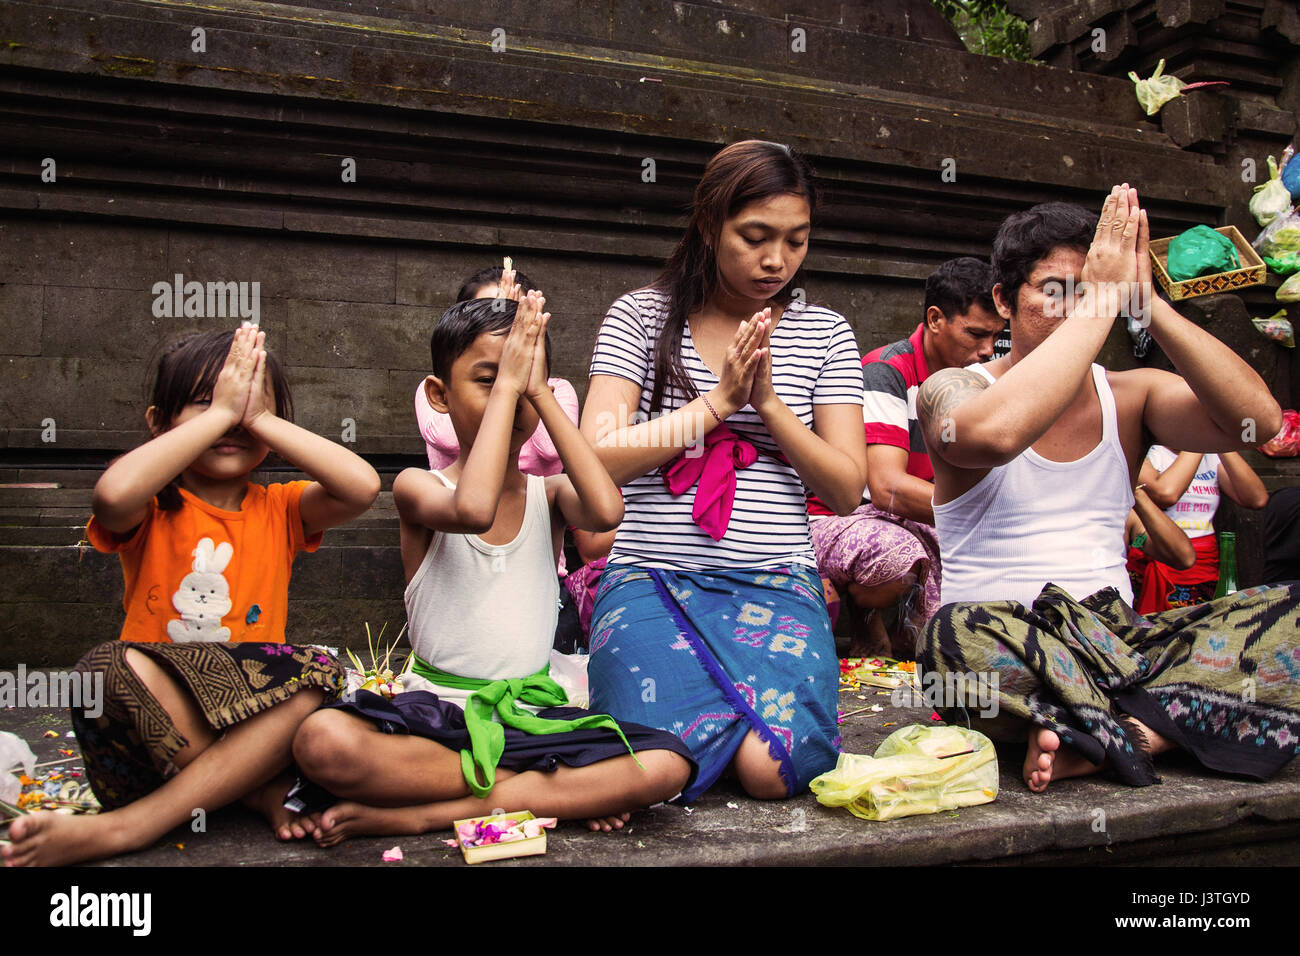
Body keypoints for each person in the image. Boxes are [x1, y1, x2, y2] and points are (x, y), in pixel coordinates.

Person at [915, 187, 1300, 794]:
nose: (1074, 307)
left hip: (1117, 646)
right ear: (1002, 301)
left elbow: (1260, 420)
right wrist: (1100, 296)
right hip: (1010, 647)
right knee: (951, 638)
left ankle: (1116, 738)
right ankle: (1151, 724)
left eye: (1089, 289)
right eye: (1054, 290)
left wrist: (1144, 300)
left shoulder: (1131, 392)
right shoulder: (950, 388)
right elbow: (991, 436)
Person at [290, 291, 695, 844]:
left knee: (668, 764)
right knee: (323, 742)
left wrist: (540, 394)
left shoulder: (549, 494)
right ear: (438, 394)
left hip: (530, 717)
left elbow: (606, 511)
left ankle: (427, 813)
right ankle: (545, 794)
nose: (510, 395)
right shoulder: (418, 486)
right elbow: (473, 510)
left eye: (525, 382)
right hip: (439, 719)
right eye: (487, 379)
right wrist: (513, 385)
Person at [2, 326, 380, 866]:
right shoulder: (150, 503)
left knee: (319, 674)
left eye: (244, 404)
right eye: (202, 405)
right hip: (159, 736)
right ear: (159, 424)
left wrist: (253, 415)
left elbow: (362, 486)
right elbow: (111, 496)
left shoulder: (282, 508)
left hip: (253, 722)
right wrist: (222, 415)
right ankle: (247, 788)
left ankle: (133, 827)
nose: (227, 420)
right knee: (99, 668)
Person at [580, 140, 868, 802]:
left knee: (777, 772)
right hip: (654, 578)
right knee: (652, 766)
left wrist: (765, 402)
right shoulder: (641, 316)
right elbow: (599, 456)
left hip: (776, 583)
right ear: (710, 226)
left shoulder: (824, 332)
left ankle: (738, 728)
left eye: (796, 241)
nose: (777, 260)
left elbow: (847, 487)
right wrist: (717, 404)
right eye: (756, 237)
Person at [809, 257, 1003, 658]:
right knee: (899, 558)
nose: (987, 351)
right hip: (837, 519)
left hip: (923, 520)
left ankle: (902, 638)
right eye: (976, 334)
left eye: (996, 338)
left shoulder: (983, 384)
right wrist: (984, 515)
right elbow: (886, 489)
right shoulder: (887, 372)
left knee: (949, 634)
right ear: (935, 319)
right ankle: (866, 617)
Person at [416, 264, 579, 477]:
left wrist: (534, 388)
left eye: (516, 315)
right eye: (488, 312)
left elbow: (550, 448)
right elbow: (447, 439)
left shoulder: (555, 389)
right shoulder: (442, 387)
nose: (502, 326)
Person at [1126, 445, 1268, 612]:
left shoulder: (1210, 457)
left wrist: (1221, 444)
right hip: (1159, 557)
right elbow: (1166, 494)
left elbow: (1256, 498)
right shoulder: (1151, 453)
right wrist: (1197, 443)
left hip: (1203, 569)